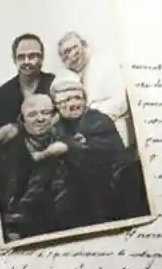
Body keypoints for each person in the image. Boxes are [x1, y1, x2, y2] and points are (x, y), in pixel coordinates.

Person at [46, 77, 151, 225]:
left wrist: (69, 147)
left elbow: (103, 153)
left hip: (107, 186)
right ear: (57, 105)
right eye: (67, 100)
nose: (74, 104)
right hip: (71, 190)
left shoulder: (98, 119)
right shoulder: (56, 127)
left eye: (78, 98)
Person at [0, 94, 69, 242]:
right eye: (32, 114)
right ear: (23, 119)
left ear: (55, 116)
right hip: (20, 227)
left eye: (45, 113)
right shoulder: (9, 150)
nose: (40, 119)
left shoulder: (65, 141)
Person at [57, 31, 133, 147]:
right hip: (88, 139)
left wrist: (86, 112)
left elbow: (120, 103)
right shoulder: (71, 77)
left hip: (114, 135)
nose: (73, 54)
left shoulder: (105, 65)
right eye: (66, 53)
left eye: (75, 48)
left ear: (84, 46)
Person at [0, 33, 56, 147]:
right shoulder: (3, 93)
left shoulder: (55, 84)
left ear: (42, 58)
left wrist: (19, 128)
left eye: (32, 56)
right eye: (21, 57)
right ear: (14, 59)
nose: (27, 61)